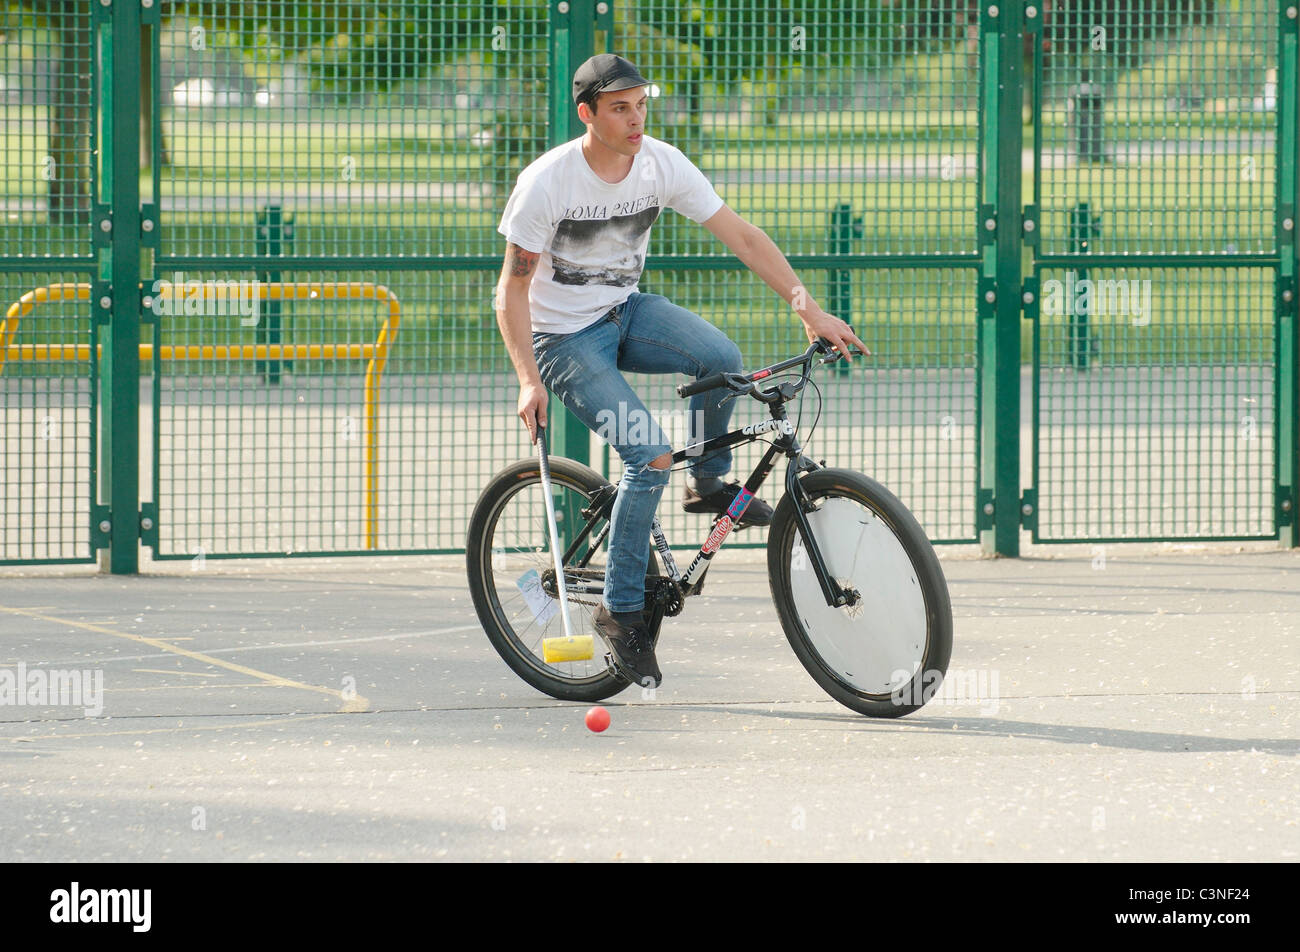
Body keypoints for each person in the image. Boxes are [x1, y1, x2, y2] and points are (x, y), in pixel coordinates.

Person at [495, 53, 867, 688]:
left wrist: (810, 310)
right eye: (620, 108)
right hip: (563, 341)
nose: (636, 118)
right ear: (587, 115)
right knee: (649, 455)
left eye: (642, 104)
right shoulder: (547, 183)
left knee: (720, 359)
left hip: (625, 312)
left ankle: (711, 484)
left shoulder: (660, 163)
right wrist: (529, 377)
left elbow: (743, 236)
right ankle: (621, 612)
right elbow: (511, 291)